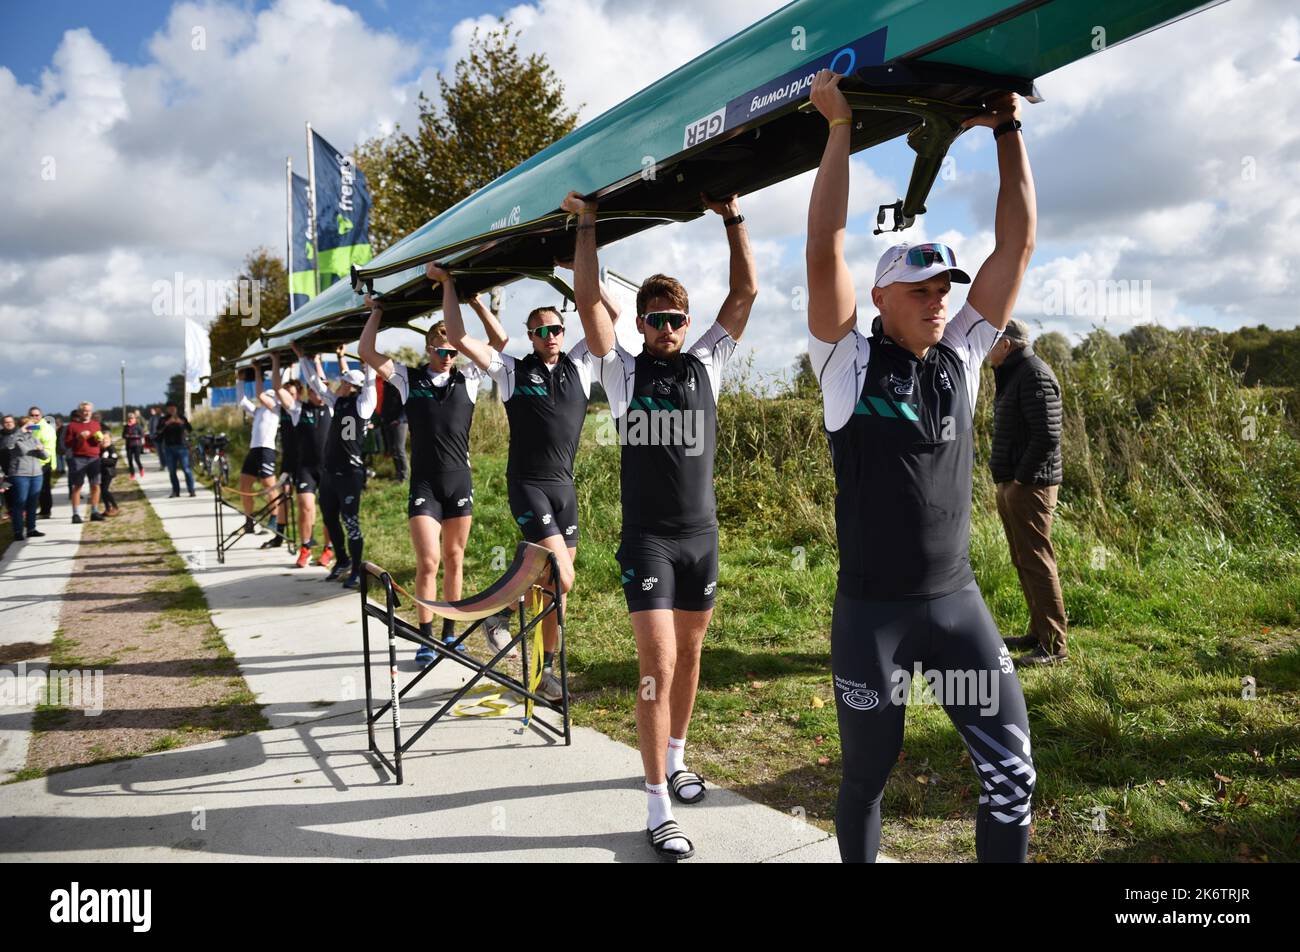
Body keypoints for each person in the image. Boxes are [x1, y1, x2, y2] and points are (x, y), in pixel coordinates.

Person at [805, 70, 1038, 863]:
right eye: (920, 288)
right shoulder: (846, 363)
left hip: (957, 609)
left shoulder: (963, 355)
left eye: (946, 288)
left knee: (1012, 774)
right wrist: (838, 129)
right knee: (867, 779)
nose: (939, 301)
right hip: (873, 620)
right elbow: (823, 247)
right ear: (881, 296)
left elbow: (1018, 245)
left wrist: (1008, 130)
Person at [562, 186, 757, 860]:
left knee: (692, 655)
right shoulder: (620, 372)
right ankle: (656, 805)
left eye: (675, 318)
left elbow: (747, 294)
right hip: (648, 541)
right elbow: (588, 298)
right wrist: (586, 222)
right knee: (658, 663)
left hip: (702, 538)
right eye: (655, 320)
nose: (667, 330)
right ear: (639, 324)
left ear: (687, 320)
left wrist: (732, 217)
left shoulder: (708, 362)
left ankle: (676, 757)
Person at [442, 265, 623, 696]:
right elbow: (458, 337)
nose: (551, 336)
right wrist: (450, 285)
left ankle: (544, 671)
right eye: (541, 331)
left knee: (555, 590)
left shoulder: (580, 363)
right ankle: (500, 617)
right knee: (560, 574)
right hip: (527, 485)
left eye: (556, 329)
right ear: (530, 337)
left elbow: (611, 315)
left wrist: (580, 274)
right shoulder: (510, 371)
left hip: (565, 488)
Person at [359, 293, 484, 663]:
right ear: (429, 350)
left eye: (452, 353)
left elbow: (502, 343)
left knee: (454, 558)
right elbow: (367, 350)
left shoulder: (471, 378)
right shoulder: (408, 379)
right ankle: (426, 637)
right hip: (425, 484)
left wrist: (475, 303)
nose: (447, 359)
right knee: (428, 561)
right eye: (441, 352)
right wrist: (378, 312)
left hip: (459, 480)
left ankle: (450, 634)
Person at [987, 318, 1066, 665]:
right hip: (1015, 483)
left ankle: (1054, 646)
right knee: (1023, 559)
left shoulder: (1033, 374)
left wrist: (1020, 481)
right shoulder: (1013, 374)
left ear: (1007, 344)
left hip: (1031, 485)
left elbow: (1047, 435)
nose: (984, 349)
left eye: (991, 341)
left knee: (1037, 560)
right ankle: (1038, 632)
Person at [298, 342, 377, 589]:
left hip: (350, 474)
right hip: (330, 473)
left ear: (352, 387)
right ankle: (341, 560)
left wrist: (368, 358)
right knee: (330, 519)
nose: (338, 385)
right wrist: (302, 357)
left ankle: (356, 569)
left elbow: (371, 381)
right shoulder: (338, 402)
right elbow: (316, 384)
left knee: (350, 521)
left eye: (343, 382)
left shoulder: (363, 405)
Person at [277, 366, 335, 569]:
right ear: (308, 392)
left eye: (322, 390)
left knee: (328, 510)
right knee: (306, 506)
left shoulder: (333, 407)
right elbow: (279, 389)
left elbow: (325, 381)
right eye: (315, 391)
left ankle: (329, 549)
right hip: (306, 468)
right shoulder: (298, 409)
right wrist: (277, 363)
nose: (319, 394)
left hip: (328, 468)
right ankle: (305, 548)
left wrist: (318, 361)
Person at [237, 356, 285, 545]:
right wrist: (239, 379)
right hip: (253, 450)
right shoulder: (258, 411)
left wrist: (257, 370)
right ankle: (249, 521)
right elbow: (242, 401)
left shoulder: (276, 408)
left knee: (269, 486)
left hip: (266, 450)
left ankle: (274, 519)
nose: (265, 397)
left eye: (269, 395)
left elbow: (259, 394)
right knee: (244, 485)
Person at [1, 415, 48, 540]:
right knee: (20, 503)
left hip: (36, 475)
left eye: (33, 425)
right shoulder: (15, 438)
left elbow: (45, 457)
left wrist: (41, 450)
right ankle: (18, 531)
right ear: (22, 425)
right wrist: (20, 431)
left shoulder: (34, 438)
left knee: (32, 503)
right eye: (29, 425)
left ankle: (31, 529)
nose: (32, 427)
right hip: (19, 475)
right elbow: (8, 444)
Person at [63, 401, 105, 524]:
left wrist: (101, 442)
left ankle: (94, 512)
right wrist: (79, 438)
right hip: (78, 458)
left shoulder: (96, 424)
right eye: (84, 411)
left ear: (92, 412)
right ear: (80, 412)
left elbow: (99, 442)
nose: (86, 413)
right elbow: (67, 444)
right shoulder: (72, 426)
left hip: (94, 458)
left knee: (96, 485)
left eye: (89, 410)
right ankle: (75, 514)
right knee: (77, 486)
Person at [158, 403, 196, 497]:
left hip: (182, 447)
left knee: (186, 469)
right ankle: (175, 491)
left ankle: (191, 490)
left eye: (173, 408)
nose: (172, 410)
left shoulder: (182, 418)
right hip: (169, 448)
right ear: (167, 410)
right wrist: (167, 423)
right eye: (170, 408)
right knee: (172, 471)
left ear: (176, 409)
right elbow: (158, 431)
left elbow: (190, 429)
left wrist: (182, 423)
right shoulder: (163, 419)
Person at [27, 406, 56, 518]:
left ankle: (45, 511)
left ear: (41, 416)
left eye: (37, 415)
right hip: (34, 462)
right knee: (39, 488)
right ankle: (43, 510)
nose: (34, 417)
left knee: (43, 489)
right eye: (32, 415)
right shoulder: (34, 427)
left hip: (44, 462)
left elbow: (48, 448)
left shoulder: (45, 428)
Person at [99, 430, 121, 516]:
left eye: (107, 439)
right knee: (102, 491)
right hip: (101, 472)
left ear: (110, 439)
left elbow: (113, 461)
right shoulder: (101, 448)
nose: (105, 440)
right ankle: (108, 508)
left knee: (105, 490)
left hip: (108, 472)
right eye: (103, 439)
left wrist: (101, 461)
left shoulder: (111, 448)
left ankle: (115, 507)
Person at [123, 411, 146, 479]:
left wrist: (134, 436)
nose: (130, 419)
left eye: (132, 418)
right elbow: (123, 435)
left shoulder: (138, 426)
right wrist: (126, 436)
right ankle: (132, 474)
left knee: (136, 459)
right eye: (129, 418)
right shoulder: (126, 427)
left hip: (137, 445)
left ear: (135, 419)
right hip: (129, 445)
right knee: (130, 460)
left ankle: (141, 469)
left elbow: (142, 435)